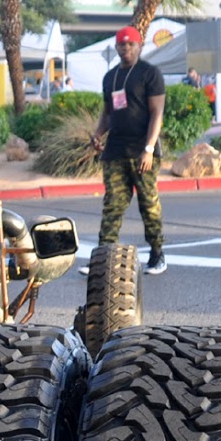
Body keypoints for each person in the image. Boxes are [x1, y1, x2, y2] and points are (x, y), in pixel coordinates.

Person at [89, 25, 167, 275]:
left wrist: (149, 148)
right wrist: (99, 133)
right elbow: (108, 112)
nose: (126, 48)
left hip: (142, 152)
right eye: (122, 44)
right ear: (116, 47)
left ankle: (157, 255)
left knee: (148, 204)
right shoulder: (110, 77)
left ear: (139, 46)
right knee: (112, 204)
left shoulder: (149, 73)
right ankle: (103, 259)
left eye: (130, 44)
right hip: (115, 151)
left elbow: (157, 113)